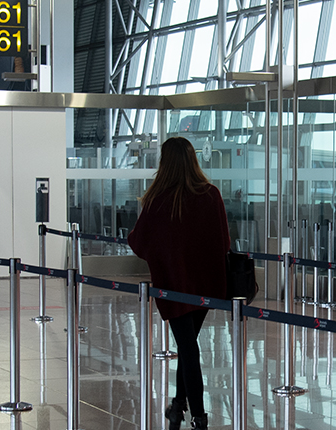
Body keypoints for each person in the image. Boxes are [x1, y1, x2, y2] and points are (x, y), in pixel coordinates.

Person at [126, 137, 229, 430]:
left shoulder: (160, 200)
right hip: (206, 288)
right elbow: (224, 241)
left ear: (165, 163)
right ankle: (178, 405)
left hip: (174, 287)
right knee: (188, 345)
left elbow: (139, 242)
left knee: (188, 347)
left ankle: (198, 414)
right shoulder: (211, 195)